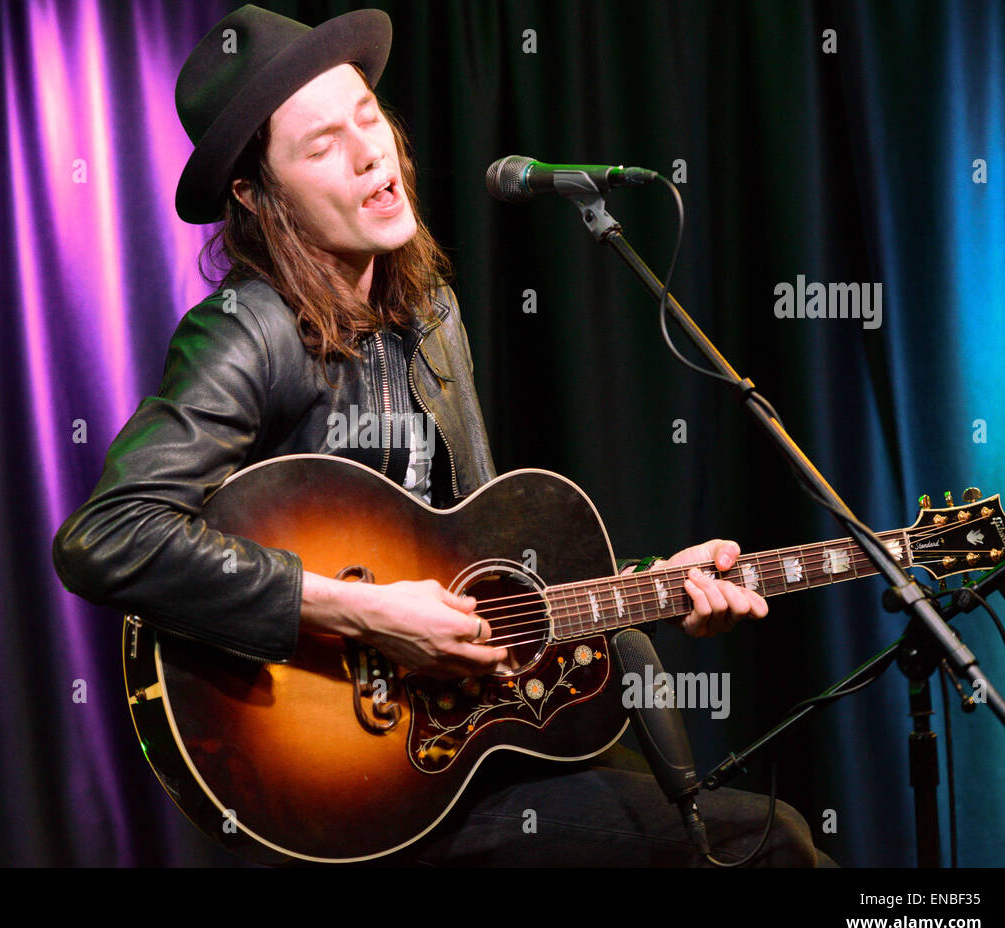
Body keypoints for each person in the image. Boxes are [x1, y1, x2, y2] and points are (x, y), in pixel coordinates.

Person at [52, 3, 834, 867]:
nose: (370, 153)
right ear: (253, 192)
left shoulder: (430, 313)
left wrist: (651, 586)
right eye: (321, 147)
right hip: (349, 782)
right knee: (769, 844)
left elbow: (484, 561)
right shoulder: (248, 329)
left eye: (368, 117)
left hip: (461, 754)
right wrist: (369, 612)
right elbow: (107, 536)